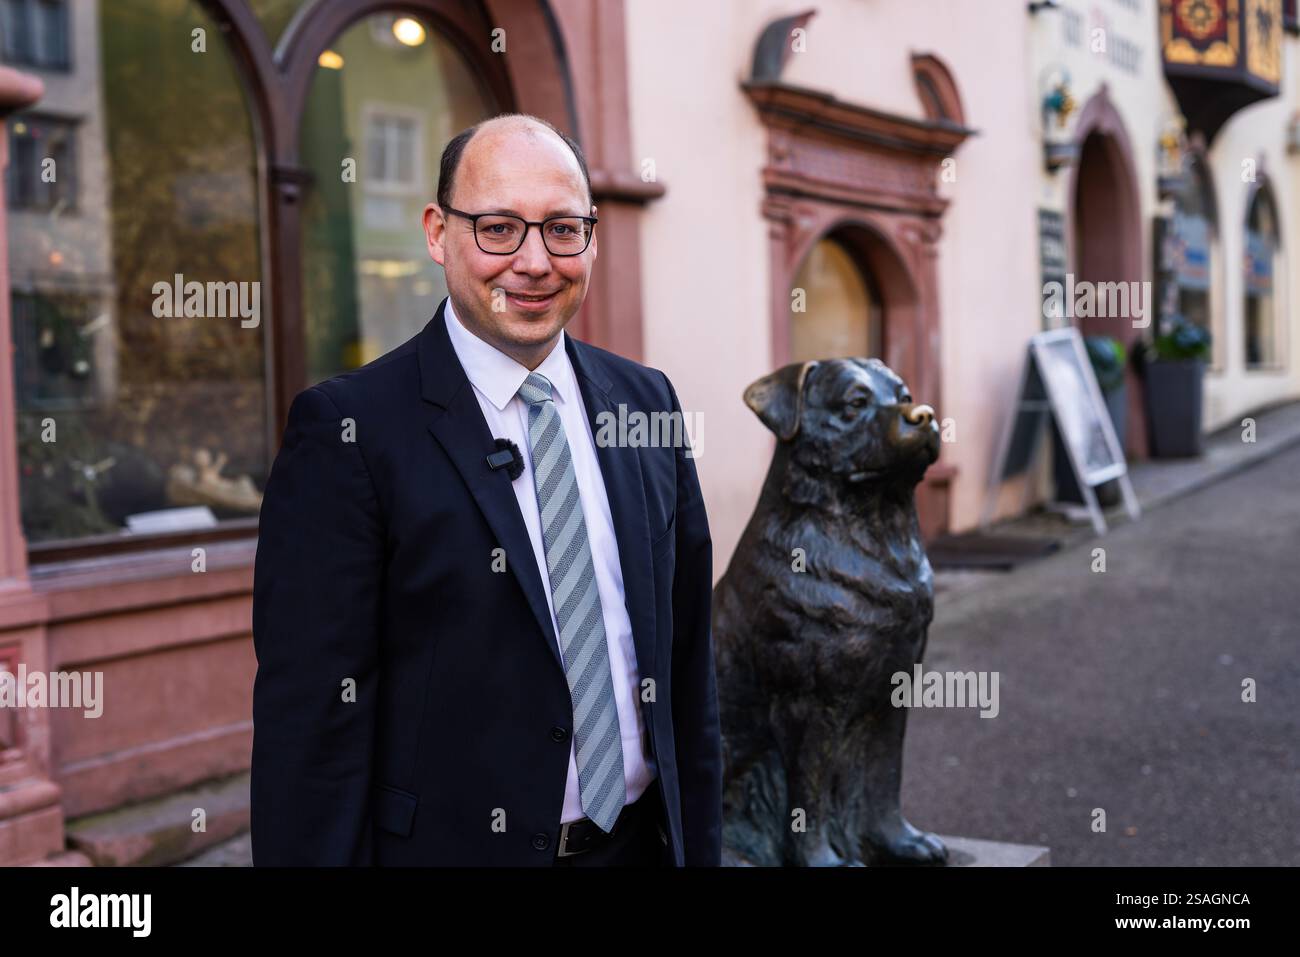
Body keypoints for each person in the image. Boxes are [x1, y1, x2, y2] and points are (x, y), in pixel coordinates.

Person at [250, 113, 721, 867]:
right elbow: (310, 731)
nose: (535, 262)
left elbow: (689, 665)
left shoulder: (647, 403)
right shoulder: (347, 432)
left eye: (563, 229)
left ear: (591, 237)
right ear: (438, 232)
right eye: (499, 227)